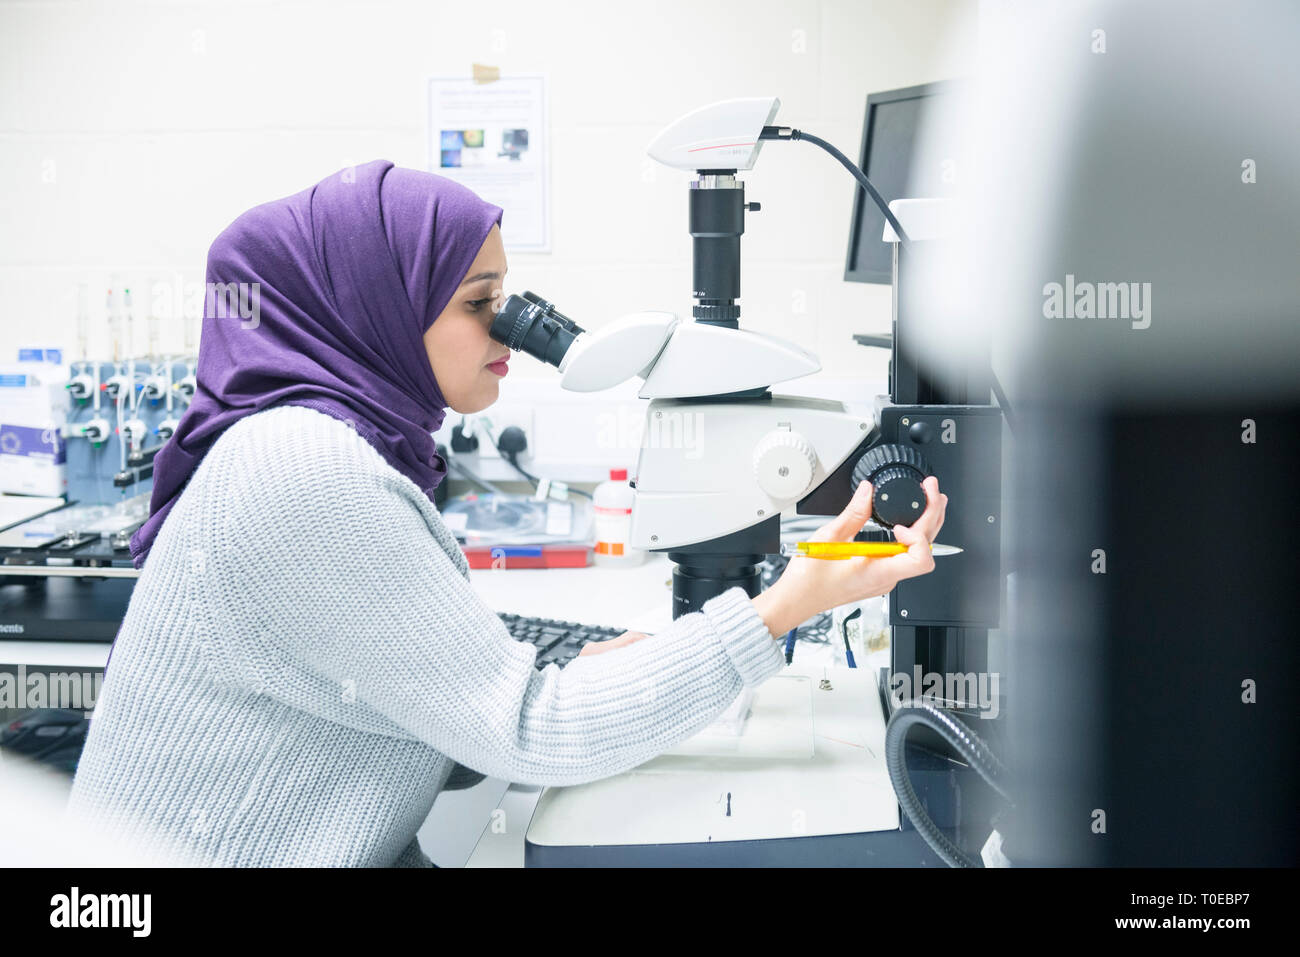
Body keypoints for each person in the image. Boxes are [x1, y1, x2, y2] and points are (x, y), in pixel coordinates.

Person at [65, 160, 947, 866]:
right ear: (377, 309)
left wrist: (578, 682)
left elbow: (433, 708)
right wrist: (790, 602)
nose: (509, 333)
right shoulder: (303, 471)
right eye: (479, 305)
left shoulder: (334, 445)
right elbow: (533, 729)